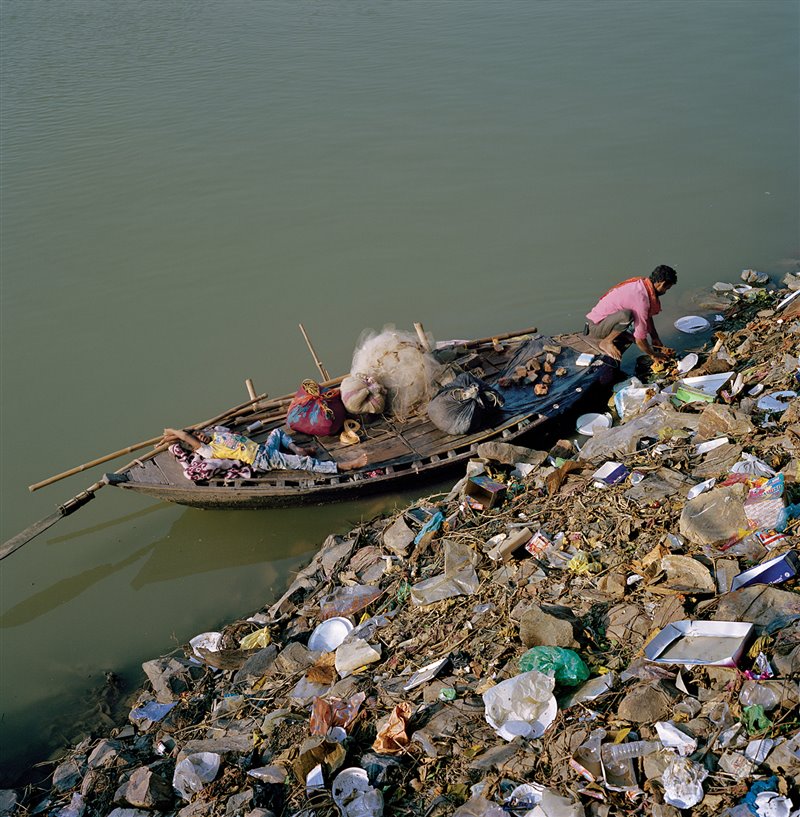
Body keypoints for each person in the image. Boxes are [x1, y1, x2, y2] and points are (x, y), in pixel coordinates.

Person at [161, 426, 367, 474]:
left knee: (277, 432)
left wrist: (180, 433)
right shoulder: (208, 450)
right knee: (303, 465)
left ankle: (298, 449)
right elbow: (186, 437)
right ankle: (344, 465)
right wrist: (172, 432)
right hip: (262, 460)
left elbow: (190, 432)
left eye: (200, 433)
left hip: (263, 449)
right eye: (197, 438)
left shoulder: (218, 434)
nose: (200, 437)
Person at [585, 264, 677, 362]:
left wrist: (655, 337)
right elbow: (640, 339)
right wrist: (653, 354)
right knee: (627, 316)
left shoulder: (642, 284)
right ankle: (606, 342)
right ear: (662, 284)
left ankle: (620, 335)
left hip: (606, 321)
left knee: (636, 324)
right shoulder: (641, 299)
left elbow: (646, 316)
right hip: (596, 327)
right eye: (666, 289)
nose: (665, 292)